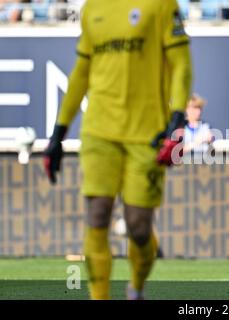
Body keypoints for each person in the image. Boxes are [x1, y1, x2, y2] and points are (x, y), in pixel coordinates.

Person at [43, 0, 192, 300]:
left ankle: (135, 289)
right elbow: (81, 74)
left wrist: (176, 119)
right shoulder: (92, 8)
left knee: (138, 226)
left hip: (146, 133)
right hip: (98, 131)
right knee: (97, 214)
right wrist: (58, 134)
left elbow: (181, 65)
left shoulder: (162, 5)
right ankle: (99, 297)